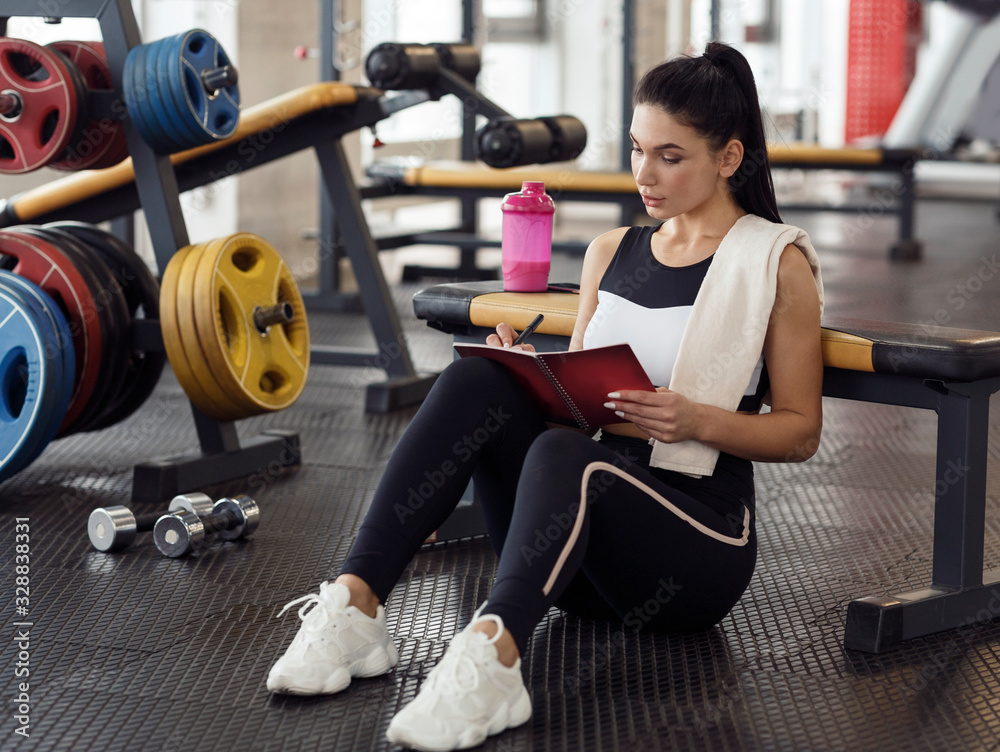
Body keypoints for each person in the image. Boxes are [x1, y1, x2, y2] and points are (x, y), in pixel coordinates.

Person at [266, 41, 823, 752]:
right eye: (636, 149)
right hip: (581, 558)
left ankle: (495, 658)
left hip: (695, 550)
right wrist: (530, 375)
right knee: (476, 379)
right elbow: (579, 411)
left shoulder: (777, 263)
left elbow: (801, 431)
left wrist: (699, 419)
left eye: (670, 156)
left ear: (728, 157)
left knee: (566, 456)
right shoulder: (610, 253)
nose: (644, 174)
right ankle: (356, 604)